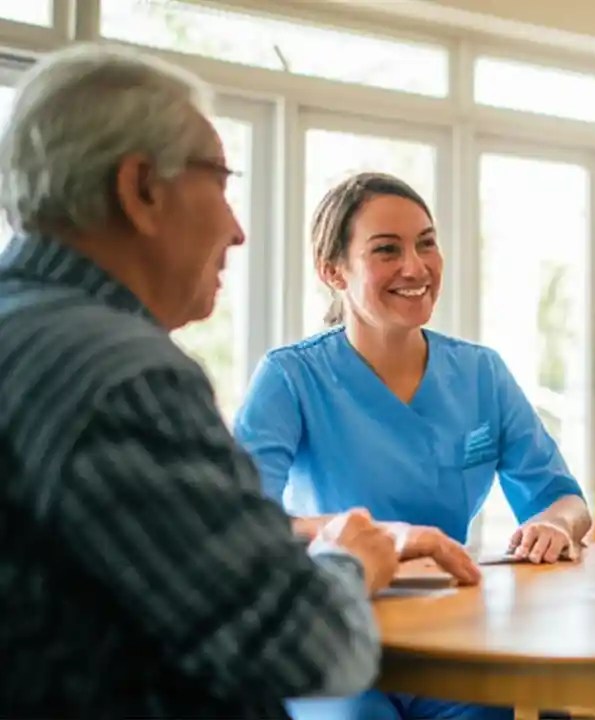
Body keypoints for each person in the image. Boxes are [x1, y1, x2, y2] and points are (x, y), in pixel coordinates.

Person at [0, 44, 400, 718]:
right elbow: (310, 646)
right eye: (220, 179)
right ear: (141, 190)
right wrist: (347, 562)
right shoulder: (122, 379)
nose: (237, 229)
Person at [234, 171, 591, 720]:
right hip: (333, 634)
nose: (415, 266)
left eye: (426, 243)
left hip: (451, 638)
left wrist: (555, 525)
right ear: (333, 271)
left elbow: (563, 498)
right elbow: (239, 522)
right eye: (386, 250)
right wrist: (374, 536)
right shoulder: (290, 378)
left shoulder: (480, 374)